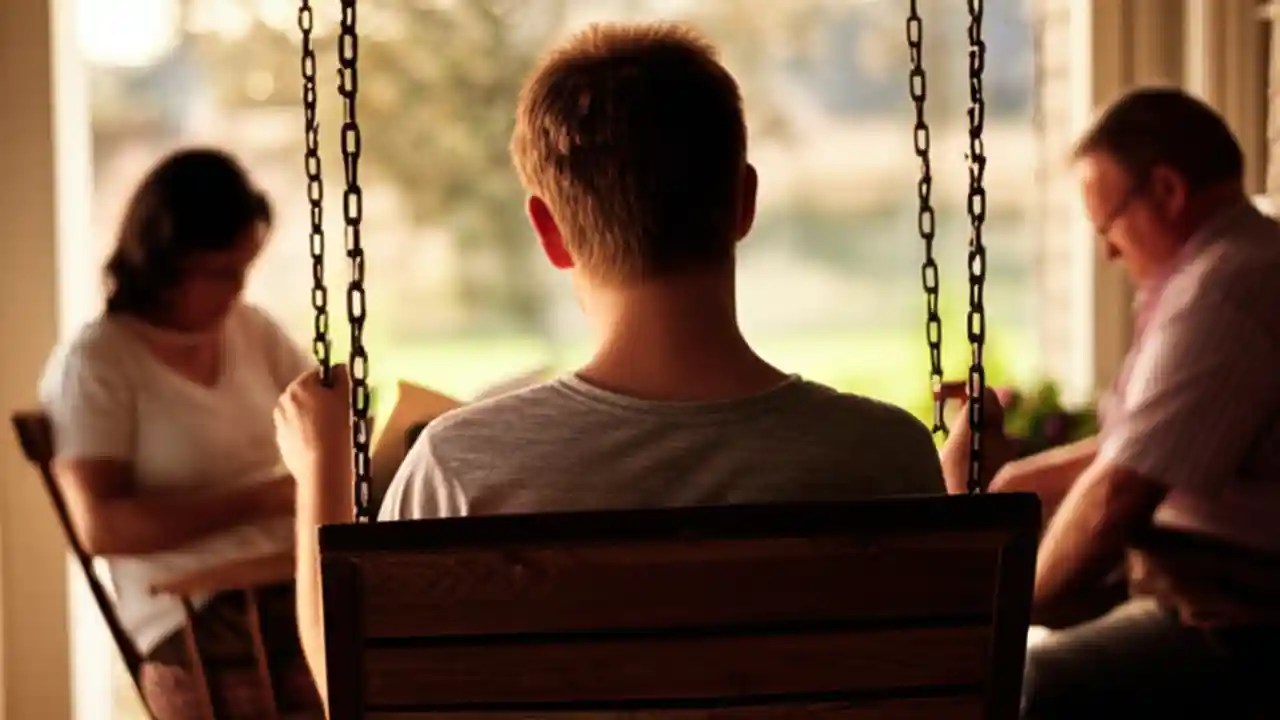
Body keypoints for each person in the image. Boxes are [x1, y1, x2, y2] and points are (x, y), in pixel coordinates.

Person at [274, 23, 946, 706]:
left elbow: (362, 691)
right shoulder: (886, 455)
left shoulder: (463, 469)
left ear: (549, 231)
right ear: (743, 202)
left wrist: (323, 463)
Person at [944, 89, 1280, 717]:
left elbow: (1120, 490)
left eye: (1109, 226)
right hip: (1205, 588)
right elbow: (1146, 440)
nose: (1107, 252)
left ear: (1167, 190)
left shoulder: (1226, 292)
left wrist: (1004, 614)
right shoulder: (1240, 263)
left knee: (1030, 682)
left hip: (1243, 619)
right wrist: (1020, 484)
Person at [41, 149, 321, 718]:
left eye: (245, 269)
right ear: (164, 261)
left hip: (284, 573)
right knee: (351, 652)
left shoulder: (252, 330)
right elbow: (100, 526)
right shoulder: (100, 362)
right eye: (220, 272)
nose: (237, 289)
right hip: (193, 606)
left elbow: (322, 417)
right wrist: (261, 500)